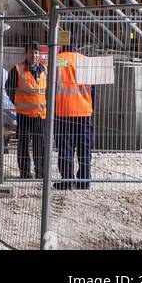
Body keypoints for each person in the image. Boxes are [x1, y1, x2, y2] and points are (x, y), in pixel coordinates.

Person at [52, 46, 94, 190]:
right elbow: (93, 89)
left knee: (65, 147)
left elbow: (50, 85)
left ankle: (67, 181)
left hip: (63, 110)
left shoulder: (58, 60)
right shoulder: (85, 60)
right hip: (84, 111)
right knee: (84, 147)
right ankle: (84, 181)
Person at [5, 45, 47, 179]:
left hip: (40, 114)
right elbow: (9, 88)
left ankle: (40, 172)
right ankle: (25, 172)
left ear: (39, 54)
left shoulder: (45, 69)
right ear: (26, 53)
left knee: (39, 144)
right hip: (24, 114)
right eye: (31, 52)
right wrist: (17, 102)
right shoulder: (18, 69)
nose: (34, 55)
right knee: (23, 144)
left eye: (36, 53)